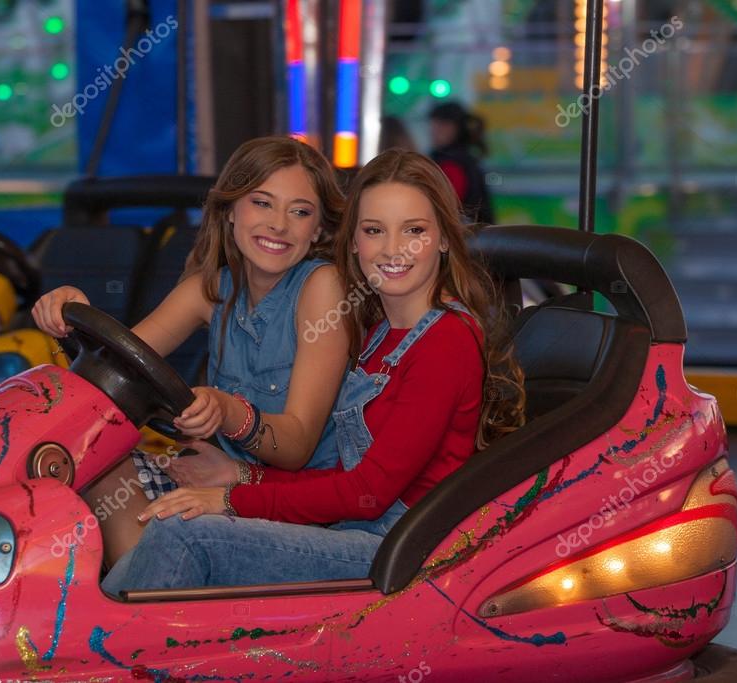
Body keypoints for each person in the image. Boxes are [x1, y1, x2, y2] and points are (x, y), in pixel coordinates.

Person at [101, 149, 525, 593]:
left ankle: (93, 655)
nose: (393, 249)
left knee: (187, 536)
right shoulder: (381, 334)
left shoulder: (446, 339)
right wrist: (241, 476)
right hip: (352, 531)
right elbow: (343, 474)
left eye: (414, 231)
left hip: (396, 554)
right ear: (355, 242)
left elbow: (370, 490)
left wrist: (231, 500)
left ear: (442, 238)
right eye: (374, 231)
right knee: (166, 511)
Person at [32, 136, 350, 567]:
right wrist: (69, 313)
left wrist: (225, 409)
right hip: (216, 474)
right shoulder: (211, 288)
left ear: (317, 230)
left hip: (290, 506)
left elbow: (296, 445)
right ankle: (135, 590)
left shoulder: (320, 287)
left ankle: (145, 597)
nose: (279, 224)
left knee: (119, 495)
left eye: (299, 211)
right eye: (261, 203)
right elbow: (122, 361)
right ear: (229, 209)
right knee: (84, 457)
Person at [428, 101, 495, 225]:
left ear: (458, 129)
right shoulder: (466, 159)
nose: (434, 130)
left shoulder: (452, 164)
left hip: (464, 238)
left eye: (442, 124)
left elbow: (444, 207)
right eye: (434, 124)